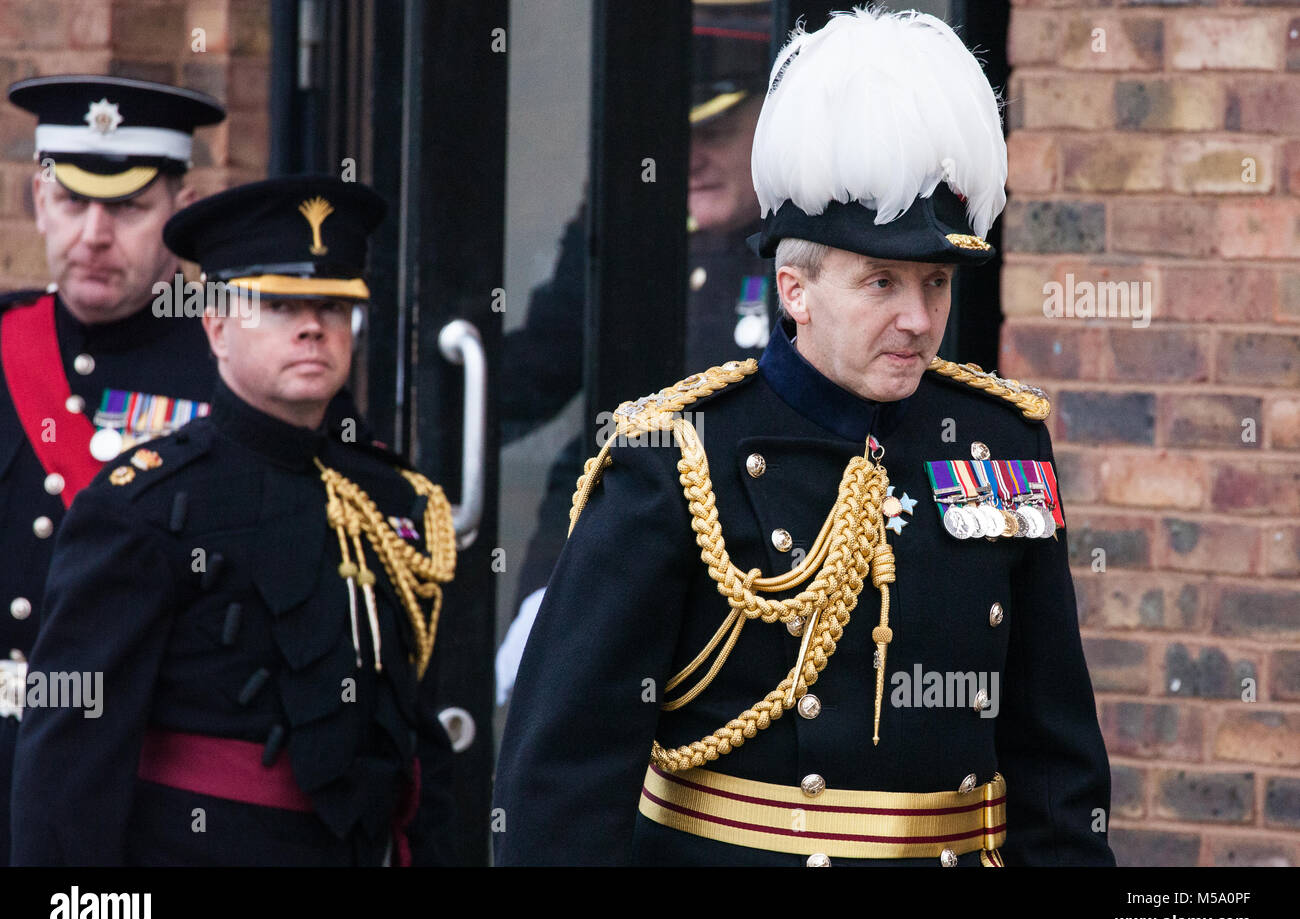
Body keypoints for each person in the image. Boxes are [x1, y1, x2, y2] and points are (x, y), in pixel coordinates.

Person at [494, 8, 1115, 866]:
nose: (917, 319)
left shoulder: (999, 442)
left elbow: (1056, 762)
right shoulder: (674, 459)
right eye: (881, 282)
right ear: (795, 289)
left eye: (935, 283)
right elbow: (563, 779)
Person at [10, 175, 458, 866]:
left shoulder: (393, 503)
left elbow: (417, 751)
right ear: (215, 324)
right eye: (279, 305)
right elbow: (71, 762)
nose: (313, 326)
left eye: (333, 308)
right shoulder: (141, 508)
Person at [496, 1, 775, 704]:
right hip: (595, 534)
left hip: (748, 562)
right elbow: (545, 365)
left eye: (715, 129)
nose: (693, 157)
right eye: (679, 135)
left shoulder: (802, 252)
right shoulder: (626, 222)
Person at [0, 74, 225, 865]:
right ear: (37, 198)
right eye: (71, 201)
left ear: (182, 209)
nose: (94, 233)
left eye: (127, 207)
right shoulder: (3, 345)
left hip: (140, 785)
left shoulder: (229, 374)